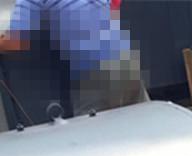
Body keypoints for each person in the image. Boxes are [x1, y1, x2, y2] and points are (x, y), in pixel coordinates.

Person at [0, 0, 146, 118]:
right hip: (125, 62)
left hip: (93, 73)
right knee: (143, 127)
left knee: (92, 138)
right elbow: (114, 5)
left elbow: (17, 42)